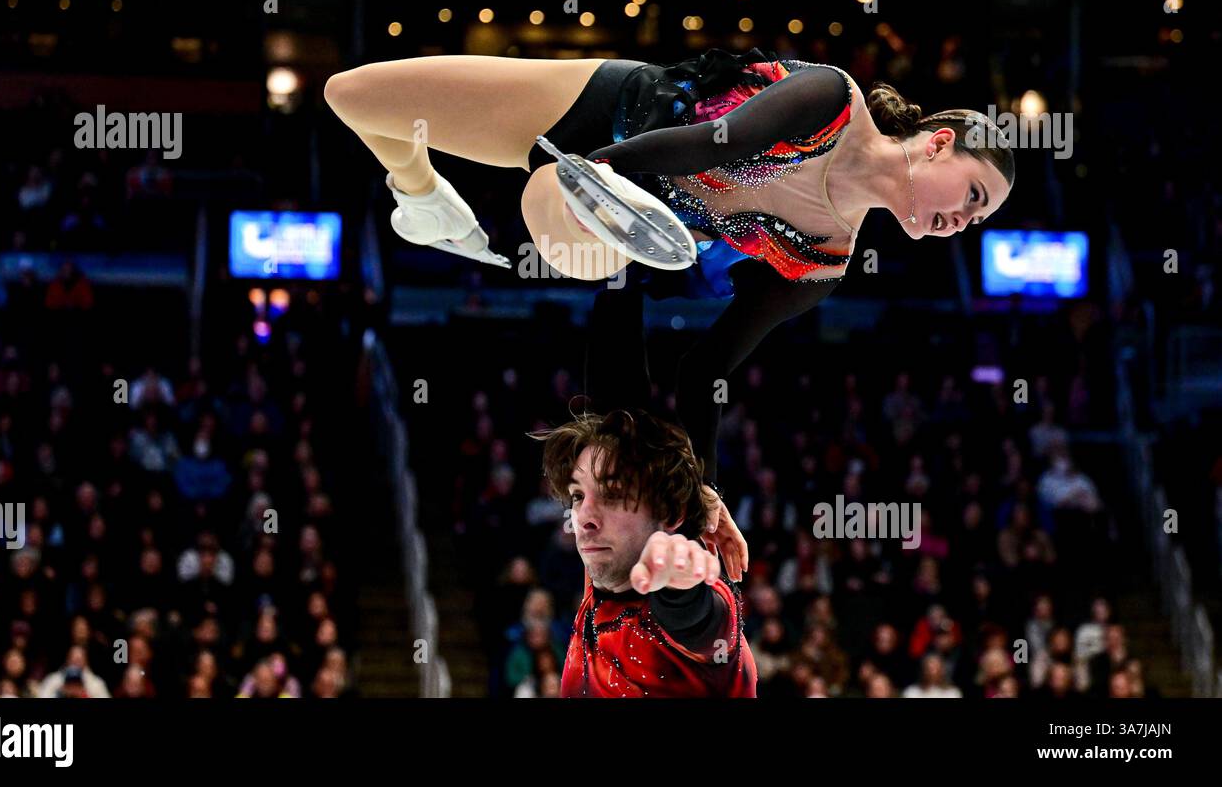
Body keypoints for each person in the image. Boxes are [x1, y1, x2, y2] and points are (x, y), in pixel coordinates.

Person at [327, 48, 1016, 573]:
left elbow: (703, 369)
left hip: (602, 226)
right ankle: (420, 197)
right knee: (351, 96)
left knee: (592, 251)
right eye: (973, 197)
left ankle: (554, 202)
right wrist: (590, 170)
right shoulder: (833, 100)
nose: (962, 221)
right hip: (608, 114)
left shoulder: (822, 262)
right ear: (938, 143)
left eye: (976, 220)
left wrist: (702, 490)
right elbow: (710, 145)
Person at [532, 408, 757, 697]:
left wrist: (680, 587)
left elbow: (696, 621)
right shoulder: (608, 570)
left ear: (670, 513)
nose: (583, 518)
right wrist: (704, 486)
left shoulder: (705, 608)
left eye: (612, 493)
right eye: (578, 495)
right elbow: (613, 386)